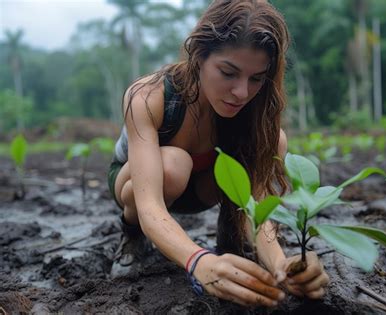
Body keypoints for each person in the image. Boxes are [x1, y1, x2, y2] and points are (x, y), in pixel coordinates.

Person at [108, 0, 329, 308]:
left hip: (205, 187)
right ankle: (131, 238)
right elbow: (149, 206)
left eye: (256, 78)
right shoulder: (149, 96)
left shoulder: (256, 109)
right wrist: (199, 260)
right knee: (173, 165)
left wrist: (282, 266)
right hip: (140, 184)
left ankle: (231, 229)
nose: (241, 92)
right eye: (228, 72)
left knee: (276, 140)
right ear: (199, 57)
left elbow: (258, 204)